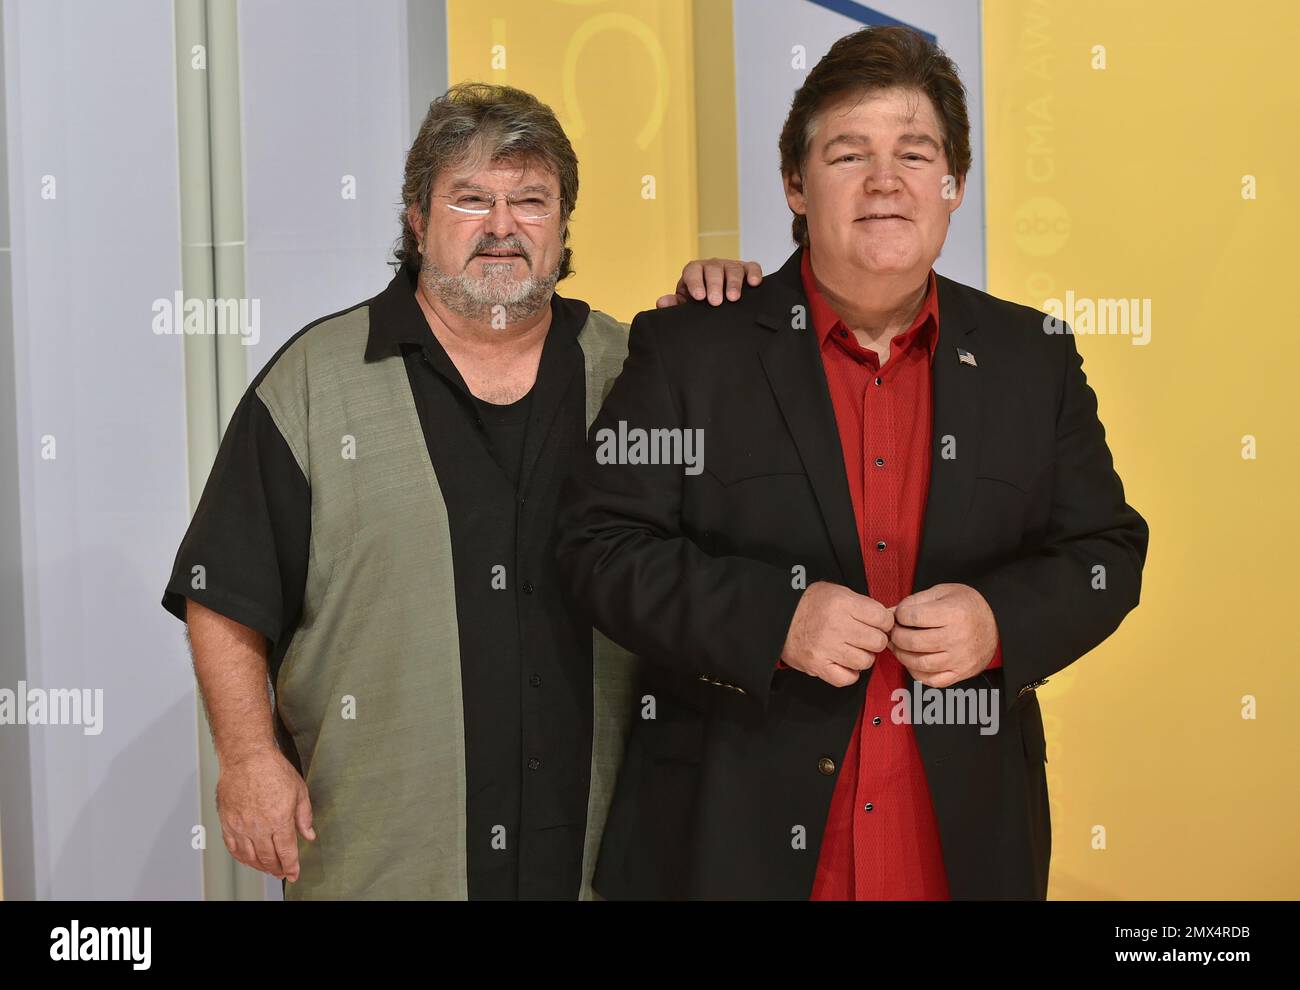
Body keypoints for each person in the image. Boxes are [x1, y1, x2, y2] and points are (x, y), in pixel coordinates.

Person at [556, 26, 1149, 899]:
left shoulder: (1036, 358)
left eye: (915, 154)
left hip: (960, 851)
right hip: (729, 851)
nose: (885, 182)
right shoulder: (692, 348)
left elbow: (1106, 551)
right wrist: (773, 619)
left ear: (953, 186)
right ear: (796, 184)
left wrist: (998, 621)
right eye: (848, 154)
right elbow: (597, 546)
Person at [161, 82, 762, 900]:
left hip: (606, 866)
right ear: (418, 221)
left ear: (563, 227)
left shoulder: (641, 375)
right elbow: (224, 592)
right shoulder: (314, 383)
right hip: (384, 865)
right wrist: (248, 757)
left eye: (531, 201)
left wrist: (732, 331)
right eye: (471, 200)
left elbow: (748, 550)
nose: (503, 226)